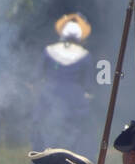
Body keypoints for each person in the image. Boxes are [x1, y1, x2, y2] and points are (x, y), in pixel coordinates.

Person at [33, 14, 94, 154]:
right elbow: (88, 84)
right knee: (72, 138)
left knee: (47, 135)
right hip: (75, 101)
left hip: (49, 97)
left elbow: (38, 75)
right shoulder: (84, 55)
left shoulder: (48, 51)